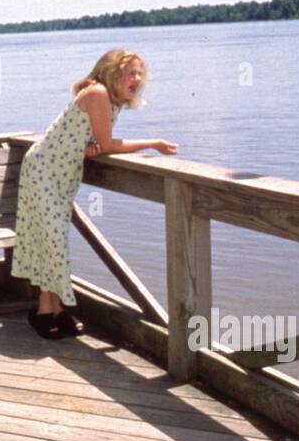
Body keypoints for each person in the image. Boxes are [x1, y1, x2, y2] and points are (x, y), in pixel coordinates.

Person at [12, 49, 179, 340]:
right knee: (52, 242)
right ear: (113, 72)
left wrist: (94, 147)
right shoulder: (98, 93)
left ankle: (49, 310)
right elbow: (110, 143)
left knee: (51, 241)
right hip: (43, 171)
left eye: (140, 73)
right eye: (131, 73)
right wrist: (153, 142)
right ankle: (51, 310)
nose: (137, 79)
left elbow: (97, 140)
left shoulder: (112, 102)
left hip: (62, 174)